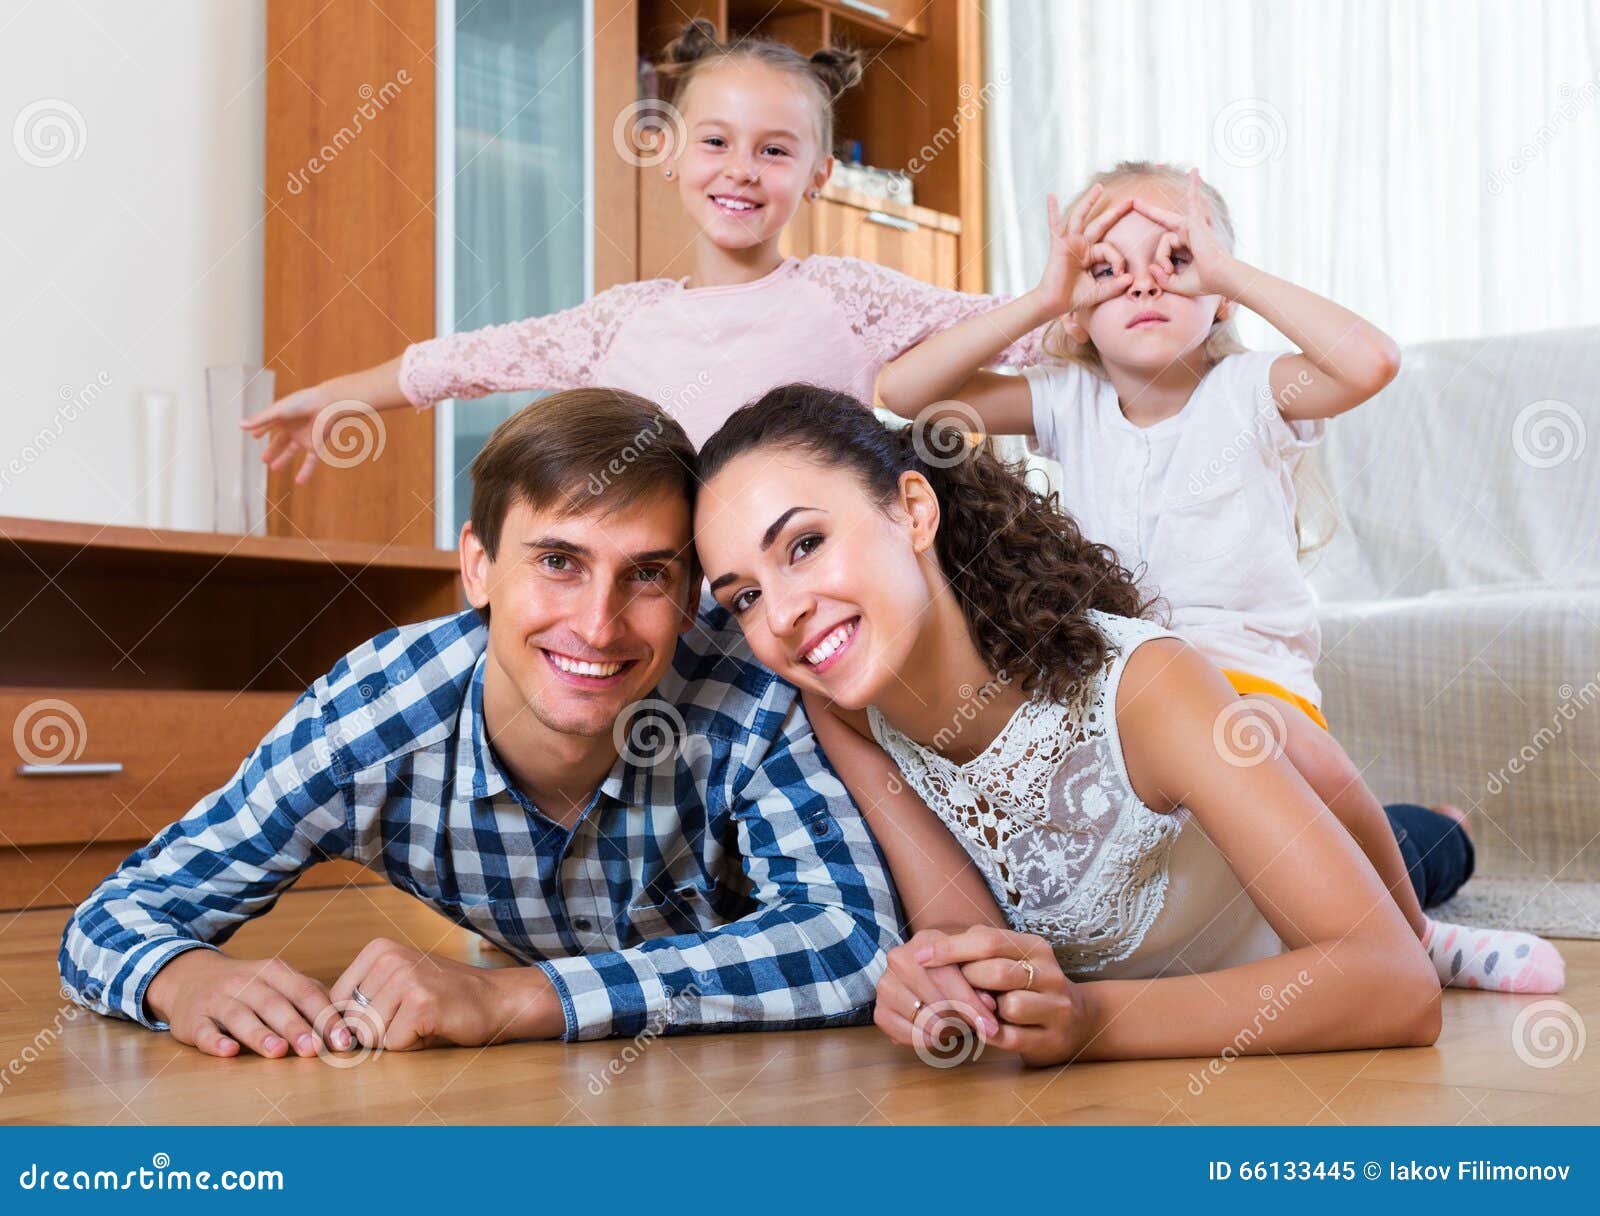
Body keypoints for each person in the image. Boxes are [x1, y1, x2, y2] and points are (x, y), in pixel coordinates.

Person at [875, 161, 1564, 994]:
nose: (1143, 284)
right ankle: (1434, 832)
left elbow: (1372, 361)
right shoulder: (1066, 399)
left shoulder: (1252, 391)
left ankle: (1416, 934)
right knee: (1265, 880)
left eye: (1176, 259)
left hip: (1251, 689)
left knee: (1284, 751)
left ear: (1220, 292)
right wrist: (1043, 299)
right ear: (1080, 313)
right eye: (1106, 269)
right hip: (1127, 703)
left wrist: (1230, 271)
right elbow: (903, 394)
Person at [59, 388, 903, 1058]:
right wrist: (181, 978)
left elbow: (855, 940)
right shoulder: (373, 718)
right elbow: (116, 913)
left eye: (647, 575)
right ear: (478, 566)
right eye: (558, 561)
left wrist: (513, 998)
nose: (598, 626)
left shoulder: (748, 683)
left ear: (689, 599)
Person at [693, 384, 1464, 1066]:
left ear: (914, 511)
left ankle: (1444, 843)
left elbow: (1397, 988)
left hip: (1275, 926)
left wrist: (1093, 1022)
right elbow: (968, 934)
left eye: (805, 545)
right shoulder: (845, 712)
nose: (782, 614)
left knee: (1359, 802)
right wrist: (942, 985)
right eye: (745, 598)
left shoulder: (1147, 688)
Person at [240, 18, 1058, 472]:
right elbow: (469, 360)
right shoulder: (621, 321)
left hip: (806, 611)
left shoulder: (849, 296)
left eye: (775, 150)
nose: (742, 169)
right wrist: (337, 394)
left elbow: (1015, 325)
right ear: (667, 152)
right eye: (716, 141)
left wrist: (1110, 303)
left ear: (817, 176)